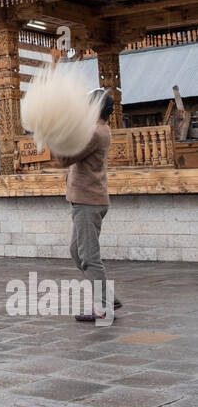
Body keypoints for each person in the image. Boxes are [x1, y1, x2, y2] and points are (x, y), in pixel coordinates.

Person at [57, 88, 116, 327]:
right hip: (89, 200)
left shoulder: (94, 133)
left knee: (89, 258)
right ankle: (108, 299)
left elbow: (64, 158)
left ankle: (103, 309)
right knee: (76, 252)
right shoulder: (99, 130)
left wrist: (50, 134)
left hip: (88, 202)